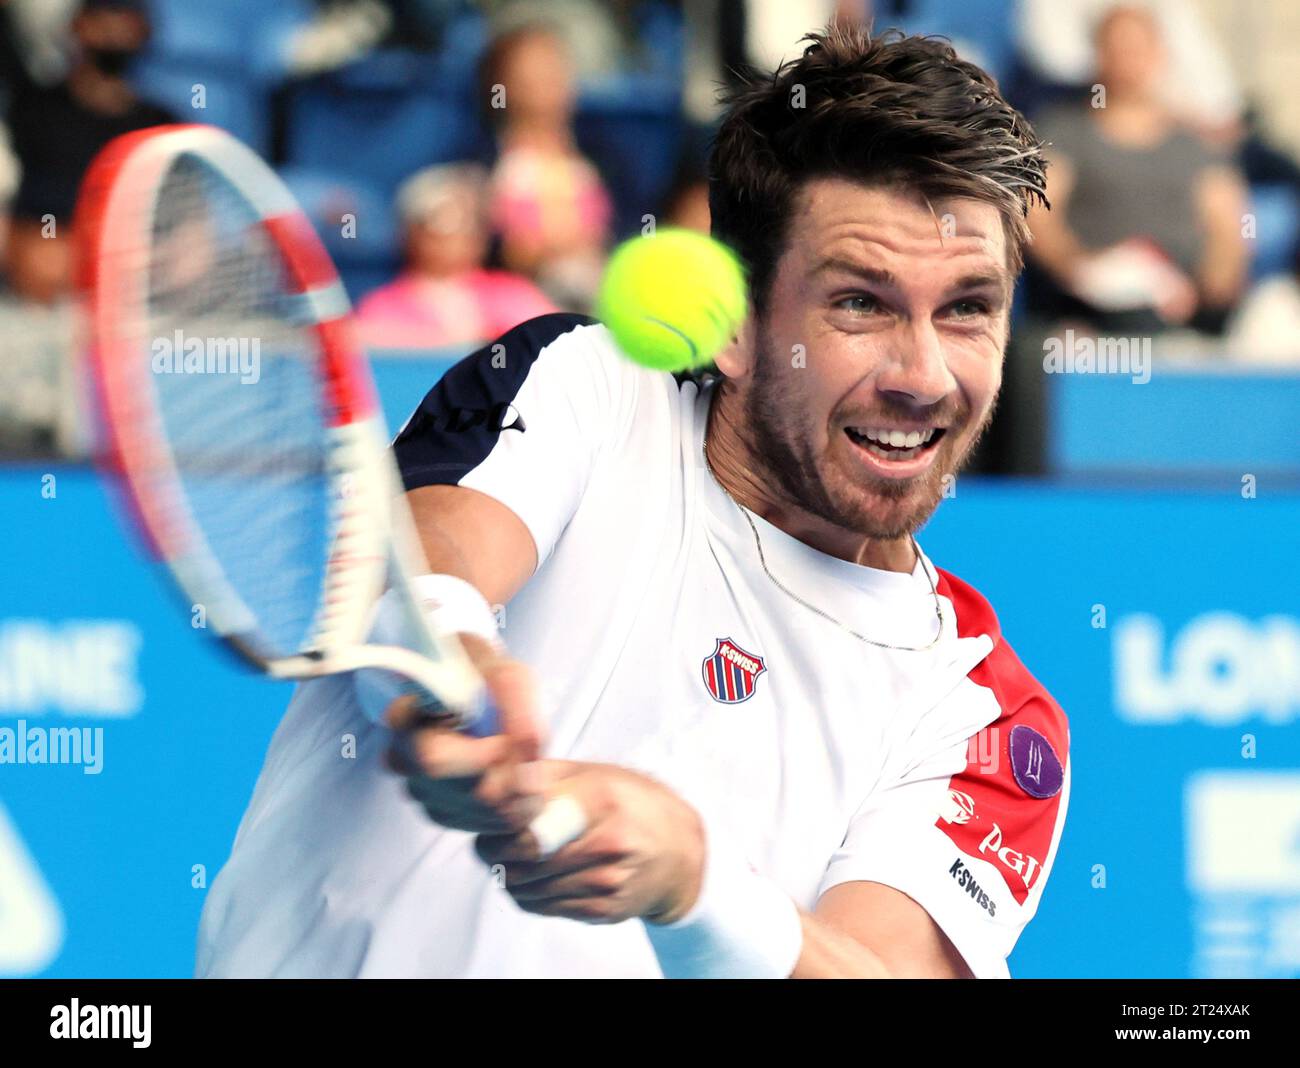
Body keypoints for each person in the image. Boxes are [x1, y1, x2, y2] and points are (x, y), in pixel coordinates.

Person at [196, 25, 1071, 980]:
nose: (924, 375)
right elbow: (425, 568)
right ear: (734, 322)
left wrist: (694, 885)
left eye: (968, 308)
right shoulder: (586, 382)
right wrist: (450, 667)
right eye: (860, 304)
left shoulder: (989, 717)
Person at [1025, 4, 1249, 337]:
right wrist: (1083, 271)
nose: (1128, 60)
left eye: (1138, 48)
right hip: (1095, 309)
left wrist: (1209, 291)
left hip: (1186, 310)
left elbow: (1231, 226)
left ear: (1160, 54)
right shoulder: (1065, 132)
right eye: (1116, 48)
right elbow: (1037, 214)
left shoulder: (1194, 143)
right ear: (1098, 54)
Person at [2, 0, 174, 304]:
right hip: (44, 277)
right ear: (77, 25)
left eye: (127, 16)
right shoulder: (32, 109)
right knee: (46, 255)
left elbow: (188, 236)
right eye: (103, 15)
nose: (115, 29)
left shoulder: (162, 124)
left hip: (135, 276)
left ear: (146, 30)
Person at [479, 22, 612, 310]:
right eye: (531, 72)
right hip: (518, 311)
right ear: (499, 83)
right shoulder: (484, 161)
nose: (548, 80)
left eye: (555, 67)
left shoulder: (605, 156)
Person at [354, 163, 555, 350]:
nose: (456, 233)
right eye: (441, 221)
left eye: (467, 221)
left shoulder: (513, 294)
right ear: (411, 232)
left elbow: (554, 341)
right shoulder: (381, 306)